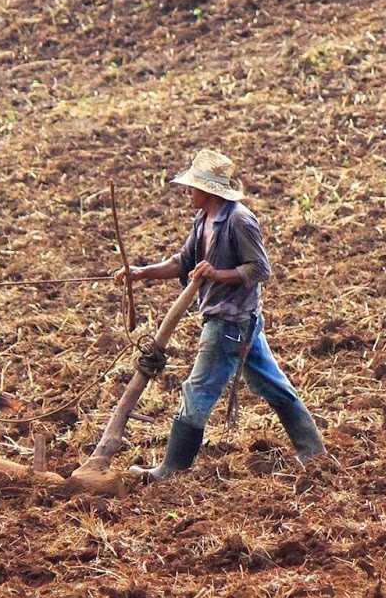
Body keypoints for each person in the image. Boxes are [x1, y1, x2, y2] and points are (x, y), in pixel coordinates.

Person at [114, 148, 325, 481]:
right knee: (271, 383)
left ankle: (173, 467)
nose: (188, 192)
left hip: (230, 322)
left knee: (197, 390)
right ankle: (313, 451)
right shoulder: (204, 220)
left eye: (192, 186)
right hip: (242, 322)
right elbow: (182, 262)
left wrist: (217, 275)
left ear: (209, 190)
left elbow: (260, 269)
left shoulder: (239, 221)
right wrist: (141, 272)